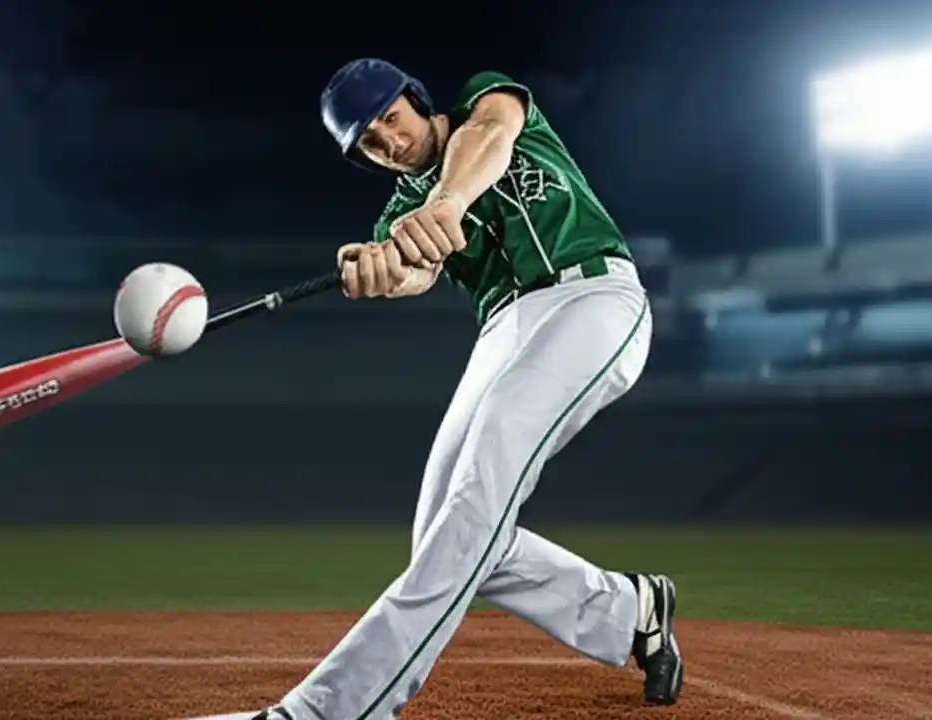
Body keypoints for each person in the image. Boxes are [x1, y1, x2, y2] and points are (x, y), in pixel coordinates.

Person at [251, 58, 681, 720]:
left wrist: (445, 201)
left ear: (416, 99)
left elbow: (493, 133)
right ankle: (629, 611)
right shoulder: (399, 213)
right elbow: (412, 273)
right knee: (443, 535)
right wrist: (377, 270)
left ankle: (330, 710)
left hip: (591, 294)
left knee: (477, 501)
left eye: (391, 118)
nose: (389, 142)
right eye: (368, 140)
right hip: (502, 330)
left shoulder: (485, 100)